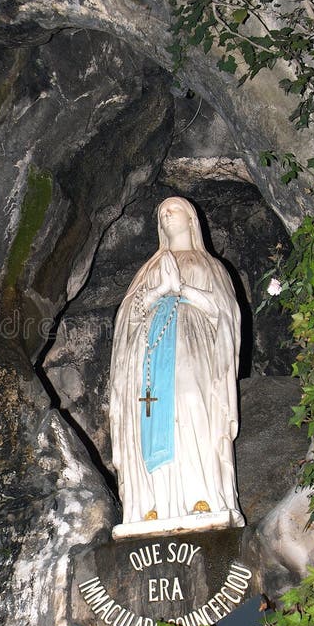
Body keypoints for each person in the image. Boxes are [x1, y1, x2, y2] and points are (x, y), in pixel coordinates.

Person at [109, 197, 244, 528]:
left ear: (191, 219)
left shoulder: (210, 265)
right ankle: (155, 503)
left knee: (192, 406)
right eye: (162, 213)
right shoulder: (149, 268)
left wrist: (180, 289)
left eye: (174, 210)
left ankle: (202, 495)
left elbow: (224, 311)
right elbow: (128, 314)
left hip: (192, 346)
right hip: (151, 353)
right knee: (151, 417)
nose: (167, 214)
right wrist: (158, 293)